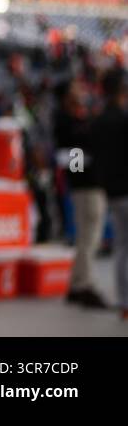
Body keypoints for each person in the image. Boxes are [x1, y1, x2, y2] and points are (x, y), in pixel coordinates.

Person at [54, 76, 110, 307]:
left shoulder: (79, 119)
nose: (81, 91)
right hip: (85, 187)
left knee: (88, 238)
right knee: (89, 238)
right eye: (76, 88)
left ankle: (77, 283)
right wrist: (87, 164)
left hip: (88, 185)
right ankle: (85, 285)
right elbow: (69, 158)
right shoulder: (67, 121)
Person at [90, 67, 128, 319]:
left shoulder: (97, 119)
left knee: (121, 247)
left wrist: (80, 178)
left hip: (108, 189)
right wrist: (78, 178)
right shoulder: (122, 119)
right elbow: (75, 152)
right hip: (118, 188)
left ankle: (124, 302)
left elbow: (81, 153)